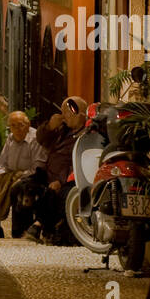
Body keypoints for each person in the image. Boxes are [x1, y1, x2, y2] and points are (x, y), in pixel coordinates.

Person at [0, 111, 46, 238]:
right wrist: (1, 178)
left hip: (30, 176)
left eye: (20, 125)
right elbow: (3, 162)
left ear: (28, 124)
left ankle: (19, 230)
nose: (17, 129)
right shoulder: (10, 138)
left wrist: (17, 178)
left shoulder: (35, 139)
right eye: (13, 126)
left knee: (18, 187)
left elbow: (37, 167)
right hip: (10, 174)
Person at [30, 95, 88, 242]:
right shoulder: (62, 129)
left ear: (81, 115)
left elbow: (76, 162)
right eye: (63, 112)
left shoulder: (86, 134)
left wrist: (61, 181)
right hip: (48, 173)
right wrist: (49, 126)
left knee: (54, 192)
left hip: (67, 179)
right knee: (23, 185)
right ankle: (25, 230)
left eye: (68, 113)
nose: (64, 116)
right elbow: (41, 140)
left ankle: (40, 225)